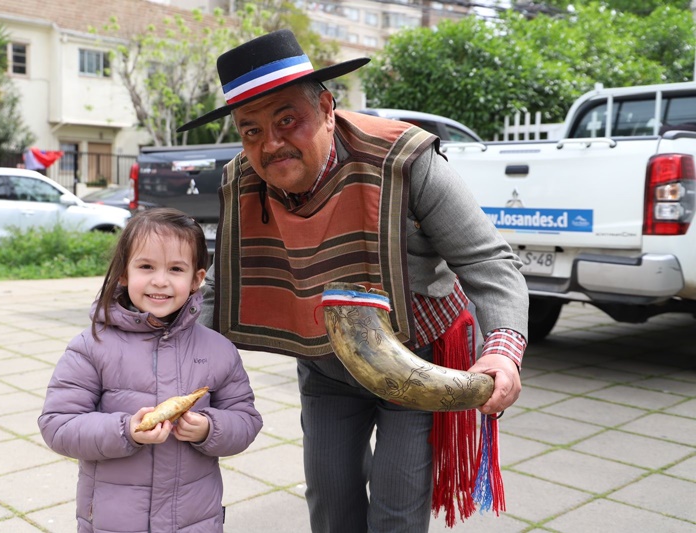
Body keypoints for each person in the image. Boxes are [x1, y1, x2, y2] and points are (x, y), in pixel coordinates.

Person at [178, 29, 528, 532]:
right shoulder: (242, 181)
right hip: (323, 362)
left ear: (325, 106)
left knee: (397, 507)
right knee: (329, 496)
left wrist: (502, 348)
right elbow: (219, 288)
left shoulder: (407, 160)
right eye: (250, 130)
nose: (270, 143)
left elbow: (489, 262)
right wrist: (178, 361)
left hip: (418, 355)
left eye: (286, 120)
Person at [38, 208, 263, 532]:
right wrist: (124, 430)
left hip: (193, 521)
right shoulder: (91, 347)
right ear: (125, 274)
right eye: (146, 267)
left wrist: (209, 428)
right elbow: (58, 425)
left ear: (197, 279)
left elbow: (246, 419)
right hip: (114, 522)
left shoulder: (218, 350)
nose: (160, 280)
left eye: (175, 269)